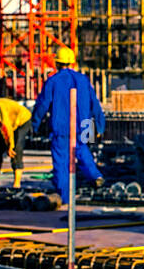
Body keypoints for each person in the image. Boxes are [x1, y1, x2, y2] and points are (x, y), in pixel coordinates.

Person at [31, 46, 105, 204]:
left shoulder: (52, 81)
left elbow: (42, 105)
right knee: (83, 150)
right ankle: (95, 175)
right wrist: (99, 126)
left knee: (62, 161)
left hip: (62, 126)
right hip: (86, 124)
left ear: (56, 63)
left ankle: (64, 198)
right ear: (72, 62)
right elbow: (95, 103)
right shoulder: (84, 79)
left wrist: (35, 125)